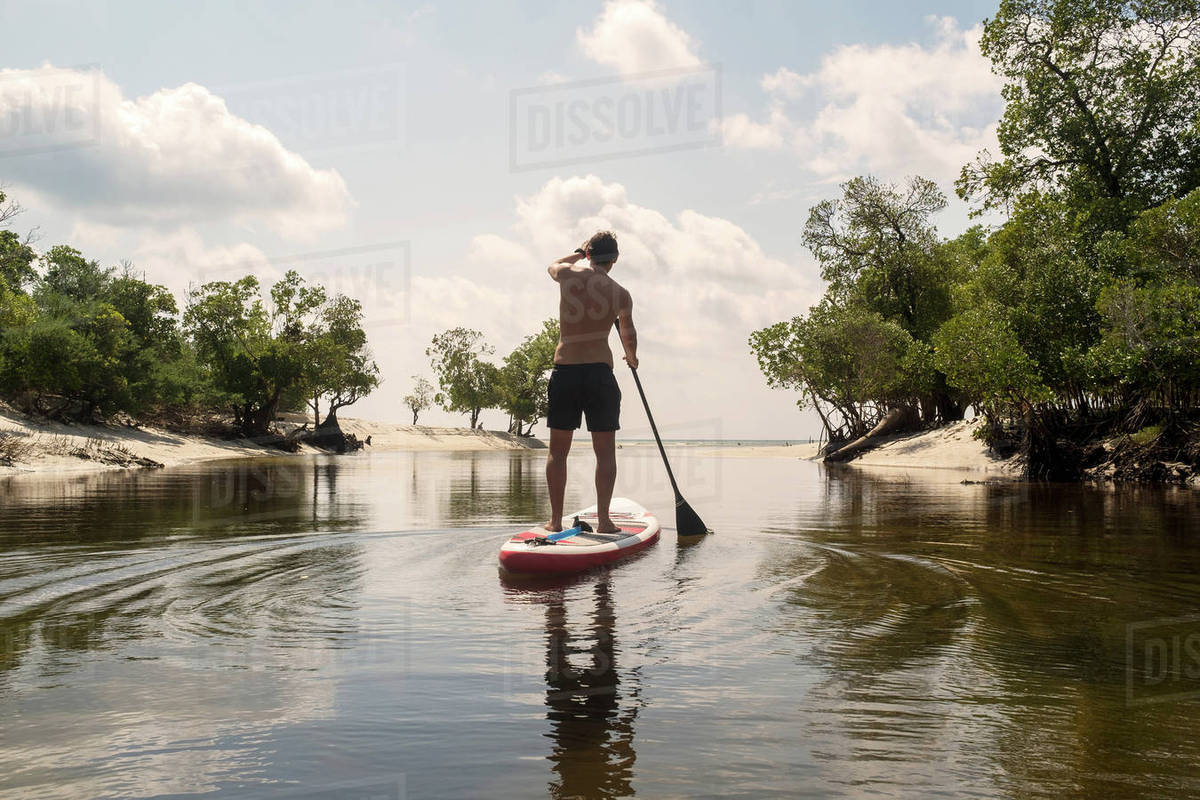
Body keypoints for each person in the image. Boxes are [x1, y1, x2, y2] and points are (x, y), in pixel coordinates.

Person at [544, 230, 638, 533]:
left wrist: (578, 252)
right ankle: (605, 521)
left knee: (558, 452)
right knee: (605, 452)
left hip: (566, 370)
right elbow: (628, 334)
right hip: (599, 373)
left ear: (588, 254)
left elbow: (552, 264)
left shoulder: (569, 275)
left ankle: (555, 521)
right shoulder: (620, 294)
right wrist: (631, 357)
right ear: (615, 259)